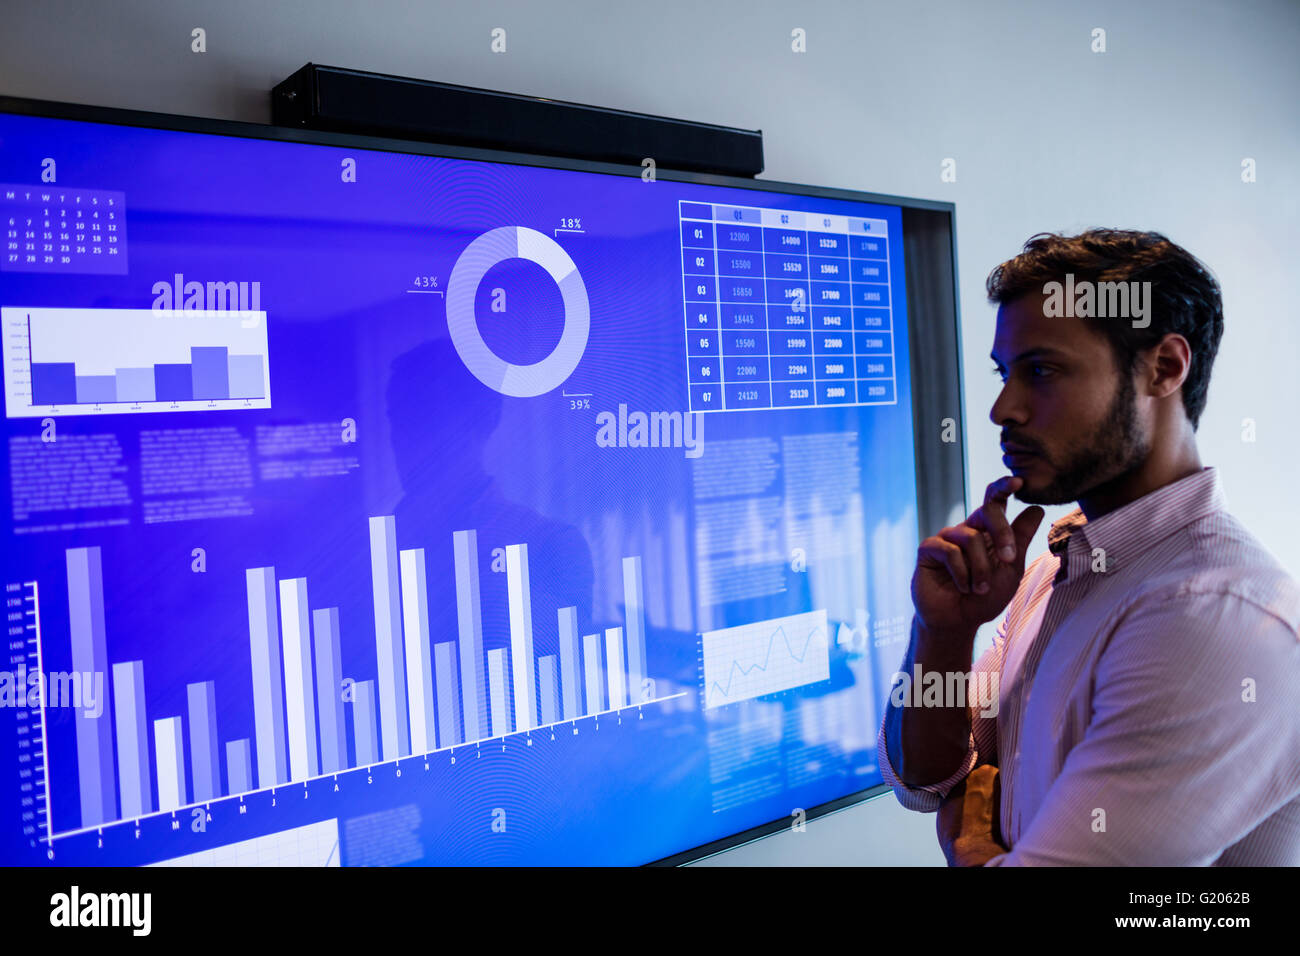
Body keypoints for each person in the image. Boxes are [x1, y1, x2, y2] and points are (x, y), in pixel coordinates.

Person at [877, 229, 1300, 865]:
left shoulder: (1215, 617)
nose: (1001, 409)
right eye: (1004, 372)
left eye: (1041, 371)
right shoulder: (1052, 567)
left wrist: (973, 848)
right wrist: (943, 633)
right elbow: (926, 782)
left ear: (1164, 368)